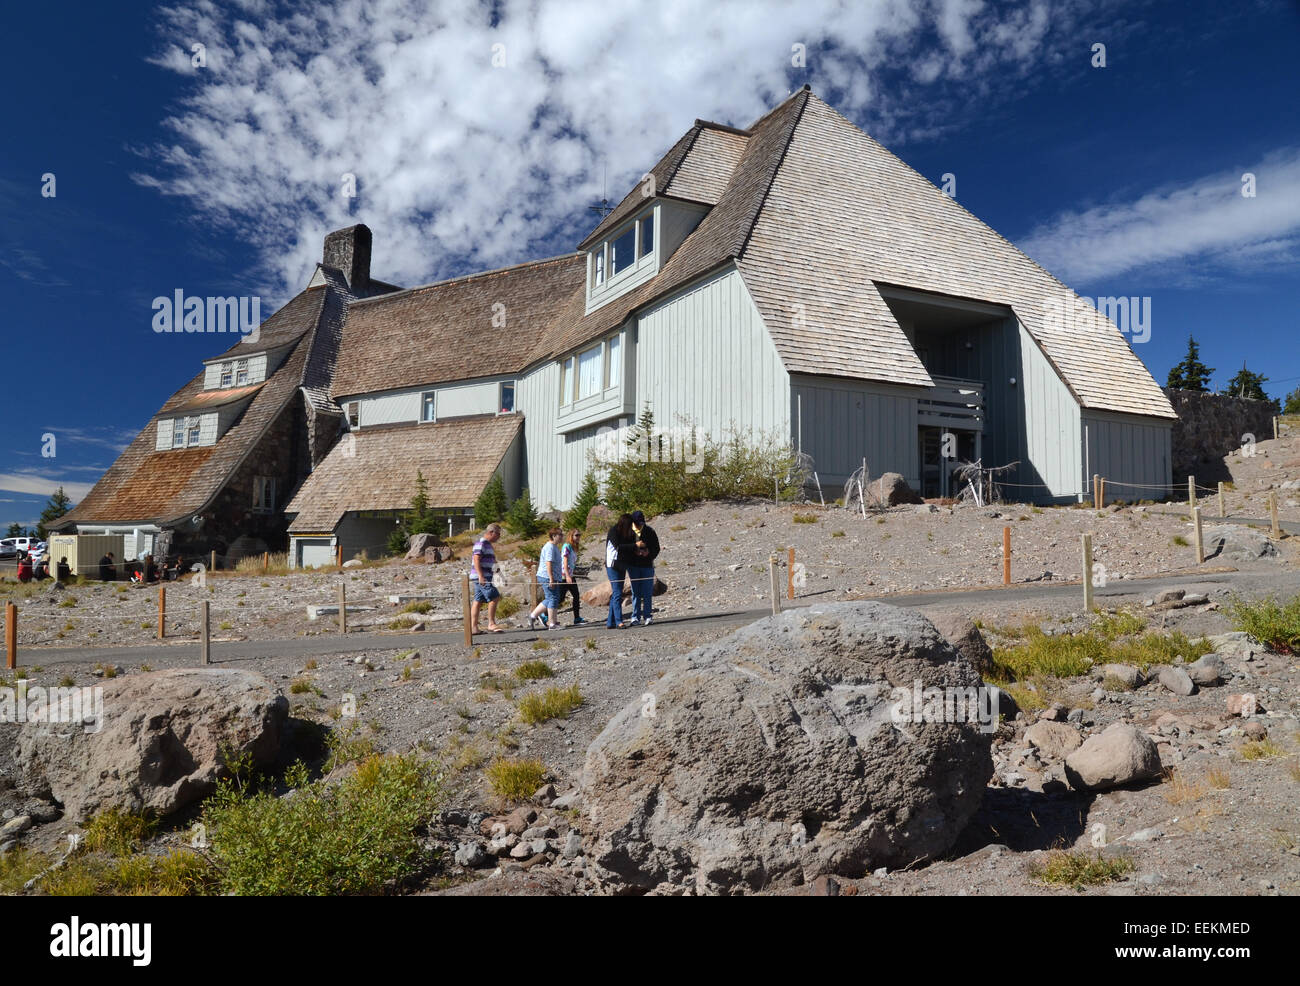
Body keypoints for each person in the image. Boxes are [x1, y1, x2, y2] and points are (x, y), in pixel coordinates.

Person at [627, 509, 661, 626]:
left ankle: (647, 616)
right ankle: (635, 617)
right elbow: (624, 548)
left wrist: (649, 553)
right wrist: (634, 551)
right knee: (635, 592)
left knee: (647, 592)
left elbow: (656, 547)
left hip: (647, 566)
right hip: (633, 566)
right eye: (638, 522)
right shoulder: (628, 532)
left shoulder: (650, 531)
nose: (640, 524)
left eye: (641, 522)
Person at [470, 523, 504, 633]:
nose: (499, 536)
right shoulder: (481, 543)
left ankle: (474, 627)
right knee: (494, 597)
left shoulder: (488, 545)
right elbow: (476, 559)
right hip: (482, 577)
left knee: (478, 600)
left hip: (487, 575)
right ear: (491, 532)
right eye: (497, 534)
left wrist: (501, 575)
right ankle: (491, 623)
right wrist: (481, 576)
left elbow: (493, 562)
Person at [528, 528, 564, 630]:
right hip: (547, 577)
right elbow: (548, 563)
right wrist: (551, 578)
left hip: (552, 576)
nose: (562, 536)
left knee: (552, 597)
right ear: (554, 536)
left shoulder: (554, 547)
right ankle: (552, 623)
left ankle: (533, 616)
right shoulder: (550, 547)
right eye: (560, 535)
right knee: (553, 598)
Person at [605, 513, 636, 628]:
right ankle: (619, 621)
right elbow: (618, 546)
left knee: (616, 594)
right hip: (612, 565)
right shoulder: (614, 531)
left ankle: (610, 622)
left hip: (622, 564)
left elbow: (629, 547)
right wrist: (634, 545)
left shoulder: (629, 533)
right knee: (617, 593)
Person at [556, 529, 586, 626]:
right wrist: (568, 576)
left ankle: (577, 618)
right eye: (576, 535)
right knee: (560, 598)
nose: (578, 537)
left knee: (576, 595)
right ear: (571, 536)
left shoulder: (574, 547)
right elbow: (564, 561)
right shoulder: (567, 546)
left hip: (570, 575)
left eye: (579, 535)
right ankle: (545, 614)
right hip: (564, 576)